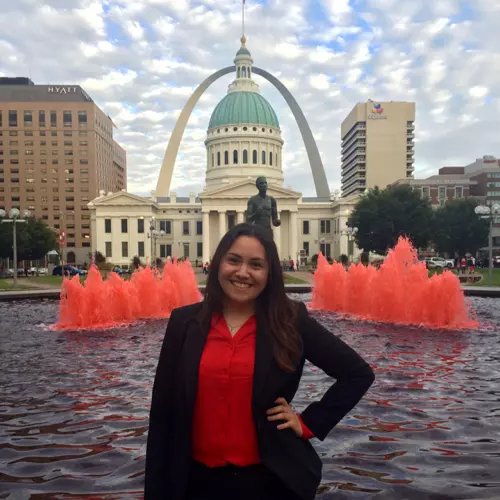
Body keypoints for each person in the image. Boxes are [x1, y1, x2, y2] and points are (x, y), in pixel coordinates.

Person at [145, 223, 375, 500]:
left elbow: (357, 373)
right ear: (218, 264)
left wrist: (309, 423)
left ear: (269, 274)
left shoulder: (290, 320)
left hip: (269, 480)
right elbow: (162, 411)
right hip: (194, 480)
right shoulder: (184, 322)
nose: (243, 273)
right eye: (233, 260)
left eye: (256, 264)